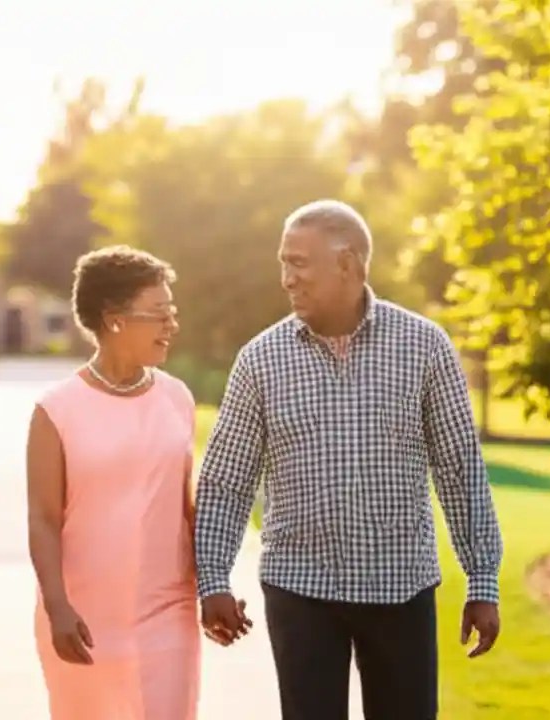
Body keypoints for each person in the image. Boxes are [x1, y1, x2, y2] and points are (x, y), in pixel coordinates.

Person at [194, 199, 505, 720]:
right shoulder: (260, 360)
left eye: (299, 262)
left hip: (400, 585)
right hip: (299, 588)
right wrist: (214, 580)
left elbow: (460, 470)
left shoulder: (424, 346)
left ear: (347, 263)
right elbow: (227, 480)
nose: (287, 279)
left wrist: (483, 580)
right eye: (283, 263)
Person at [26, 245, 237, 720]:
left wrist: (213, 588)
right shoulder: (56, 410)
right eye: (158, 313)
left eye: (172, 312)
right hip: (82, 618)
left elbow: (185, 508)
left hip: (168, 613)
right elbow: (43, 518)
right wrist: (57, 607)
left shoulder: (176, 398)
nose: (171, 325)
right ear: (115, 319)